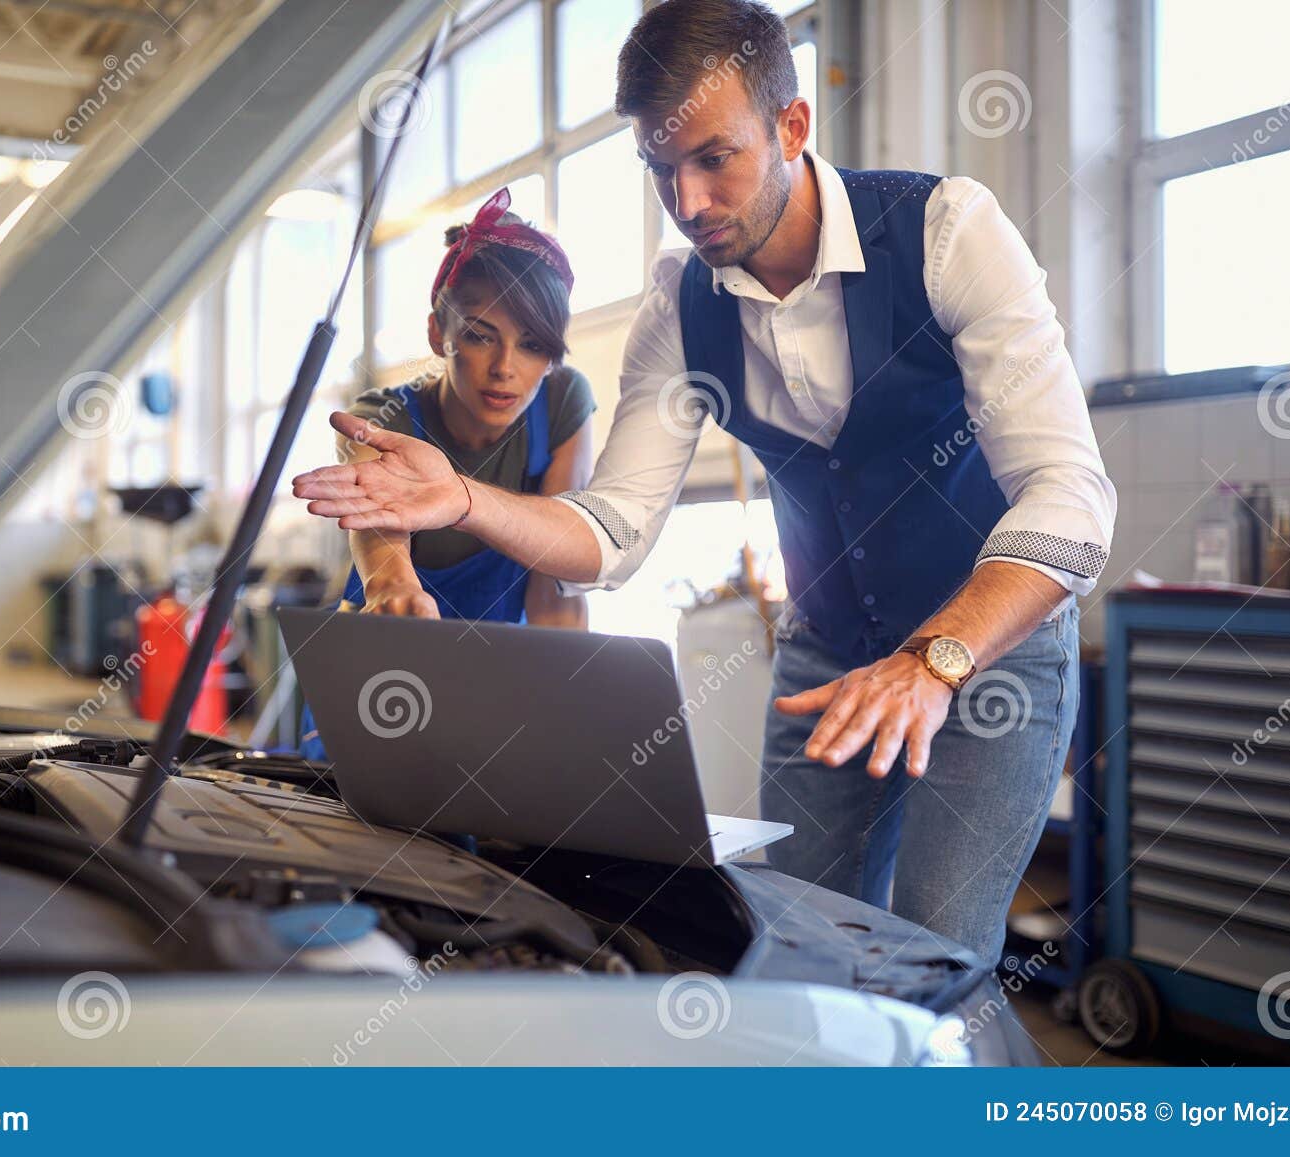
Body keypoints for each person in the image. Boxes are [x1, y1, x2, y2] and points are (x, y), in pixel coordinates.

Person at [293, 0, 1115, 965]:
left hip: (989, 648)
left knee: (935, 956)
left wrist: (935, 659)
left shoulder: (946, 232)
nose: (686, 200)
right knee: (794, 944)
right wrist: (466, 499)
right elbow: (617, 529)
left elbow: (1071, 496)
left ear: (792, 128)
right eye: (660, 167)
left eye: (714, 158)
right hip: (828, 657)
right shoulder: (680, 306)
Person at [297, 187, 595, 759]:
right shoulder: (379, 421)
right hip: (378, 679)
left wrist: (569, 729)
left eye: (532, 345)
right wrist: (395, 587)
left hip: (494, 684)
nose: (506, 369)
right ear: (439, 333)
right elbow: (386, 571)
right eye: (481, 335)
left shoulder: (561, 405)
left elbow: (554, 595)